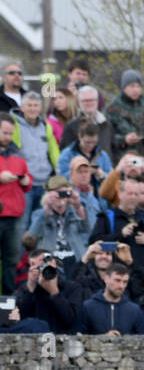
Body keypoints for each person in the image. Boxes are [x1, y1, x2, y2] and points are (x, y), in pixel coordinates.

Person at [11, 92, 59, 230]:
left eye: (36, 105)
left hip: (44, 184)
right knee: (22, 224)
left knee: (41, 225)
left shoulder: (46, 126)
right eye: (29, 105)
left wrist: (59, 175)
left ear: (40, 108)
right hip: (24, 185)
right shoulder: (15, 126)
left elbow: (54, 153)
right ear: (22, 107)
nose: (32, 109)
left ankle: (38, 252)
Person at [0, 113, 33, 293]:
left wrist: (26, 182)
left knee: (12, 261)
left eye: (10, 133)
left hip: (14, 215)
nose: (8, 137)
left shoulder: (18, 155)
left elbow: (27, 180)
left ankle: (8, 304)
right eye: (4, 132)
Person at [17, 249, 87, 333]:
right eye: (33, 265)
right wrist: (30, 288)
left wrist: (54, 293)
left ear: (53, 263)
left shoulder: (72, 287)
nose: (39, 268)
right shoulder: (27, 289)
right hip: (38, 339)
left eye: (42, 263)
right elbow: (23, 319)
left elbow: (72, 320)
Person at [26, 175, 91, 262]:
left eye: (63, 193)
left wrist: (78, 205)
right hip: (50, 260)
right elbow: (33, 233)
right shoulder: (40, 214)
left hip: (74, 259)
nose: (60, 196)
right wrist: (47, 207)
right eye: (57, 193)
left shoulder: (75, 212)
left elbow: (88, 230)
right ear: (48, 194)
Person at [105, 71, 144, 165]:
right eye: (132, 86)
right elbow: (106, 137)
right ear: (124, 87)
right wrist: (124, 139)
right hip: (124, 161)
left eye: (138, 86)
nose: (136, 90)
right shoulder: (112, 109)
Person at [82, 262, 144, 335]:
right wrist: (103, 339)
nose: (121, 286)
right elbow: (78, 338)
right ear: (106, 279)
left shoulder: (134, 310)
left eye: (125, 282)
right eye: (117, 280)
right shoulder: (88, 307)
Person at [59, 85, 115, 157]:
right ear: (79, 102)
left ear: (97, 101)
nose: (89, 103)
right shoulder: (71, 126)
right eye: (85, 100)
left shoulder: (106, 123)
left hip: (106, 167)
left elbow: (114, 148)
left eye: (92, 100)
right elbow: (65, 153)